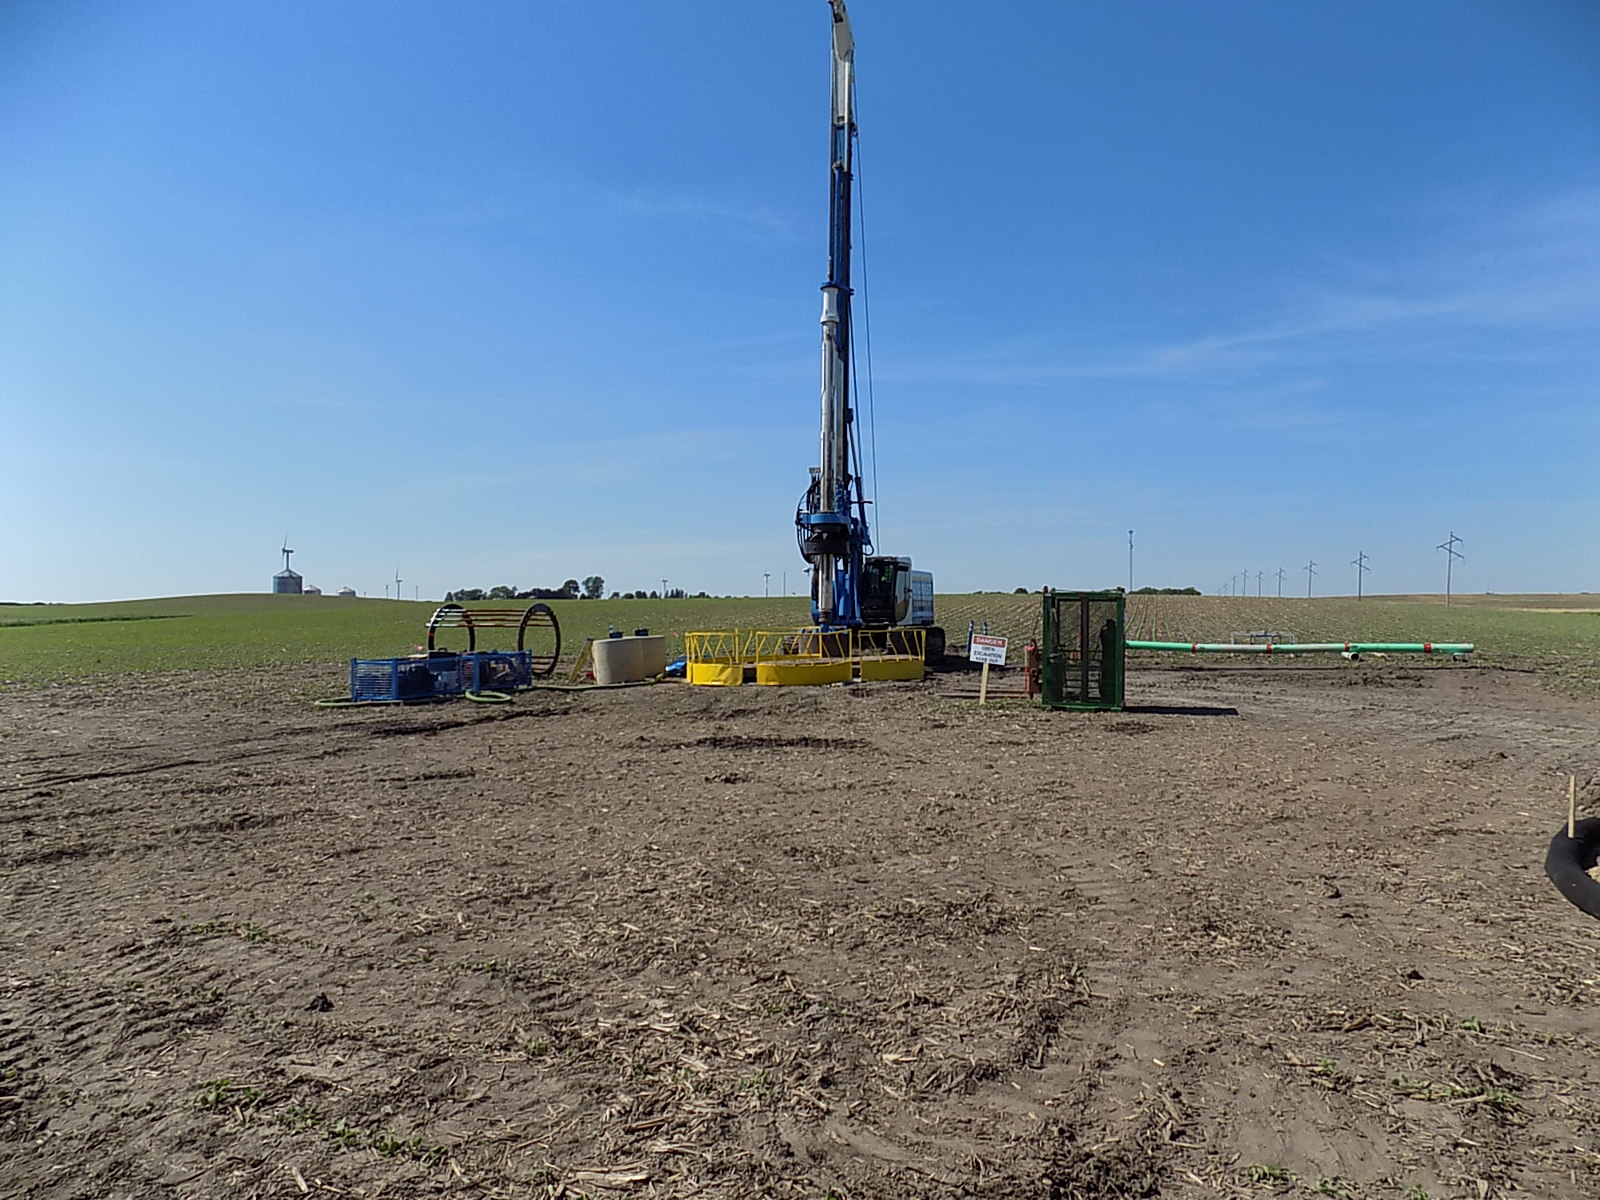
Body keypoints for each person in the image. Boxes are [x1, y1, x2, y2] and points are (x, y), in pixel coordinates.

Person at [1098, 617, 1121, 702]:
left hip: (1106, 658)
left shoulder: (1105, 633)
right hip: (1112, 658)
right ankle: (1109, 696)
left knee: (1106, 677)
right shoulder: (1115, 634)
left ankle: (1106, 695)